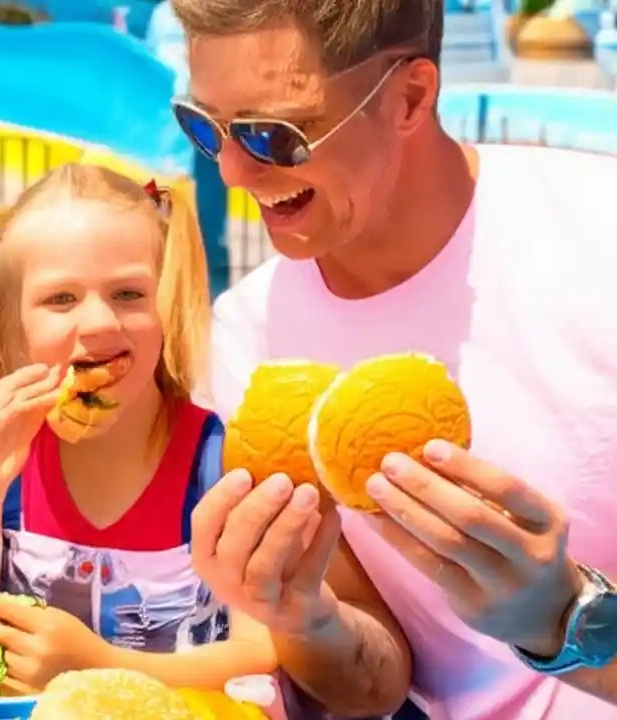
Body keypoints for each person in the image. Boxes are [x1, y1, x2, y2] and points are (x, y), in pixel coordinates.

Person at [171, 0, 617, 717]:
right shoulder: (251, 338)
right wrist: (304, 616)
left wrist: (571, 624)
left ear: (410, 97)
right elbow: (377, 678)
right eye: (205, 127)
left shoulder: (598, 241)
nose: (231, 174)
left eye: (272, 134)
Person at [0, 163, 279, 695]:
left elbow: (260, 656)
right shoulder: (3, 461)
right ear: (11, 329)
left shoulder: (218, 463)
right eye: (61, 299)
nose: (99, 323)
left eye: (128, 294)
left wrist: (95, 664)